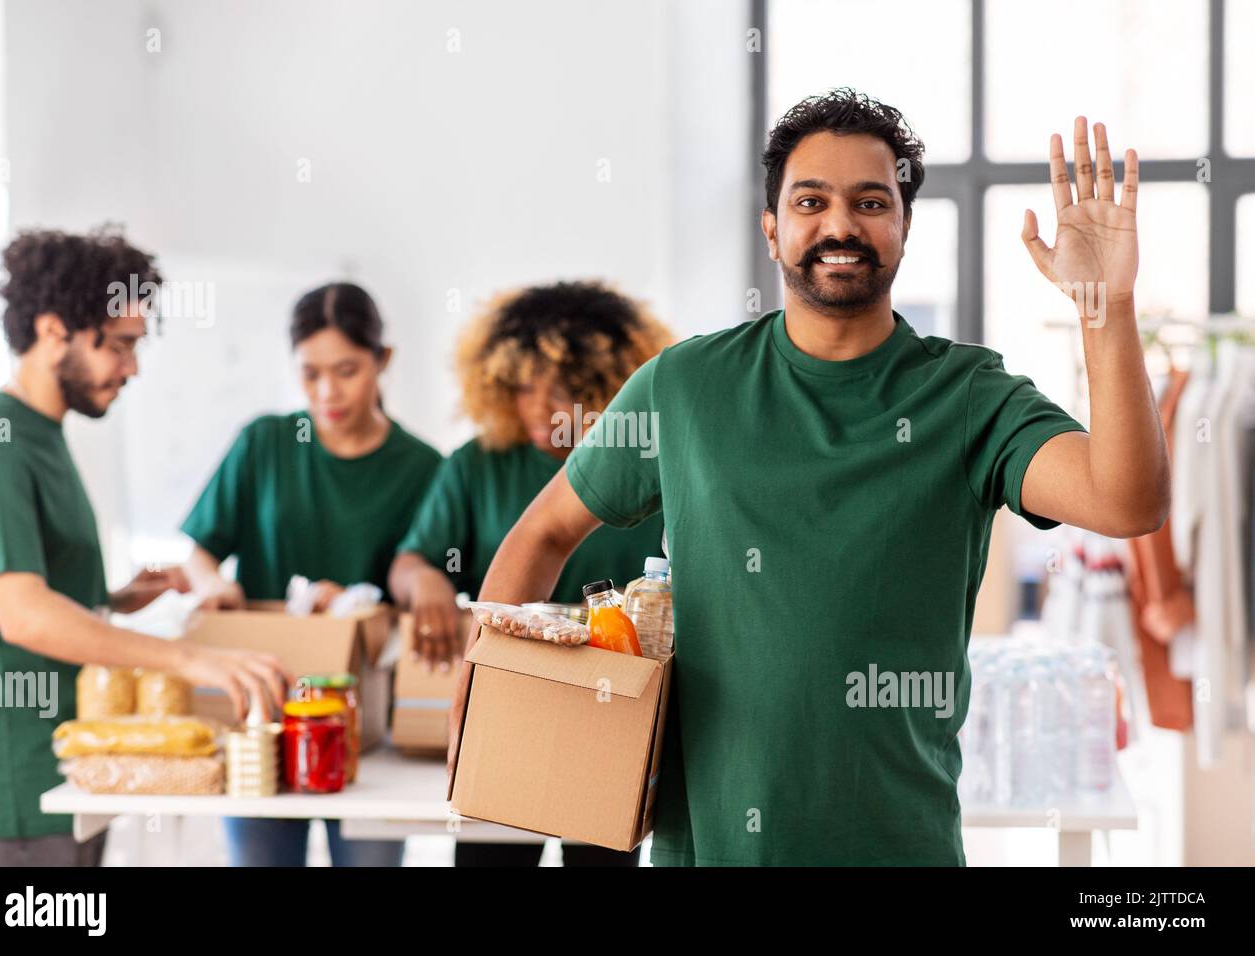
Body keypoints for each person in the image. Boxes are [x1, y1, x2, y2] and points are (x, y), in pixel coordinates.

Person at [446, 90, 1170, 866]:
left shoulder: (967, 397)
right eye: (811, 200)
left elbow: (1125, 500)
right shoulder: (685, 387)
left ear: (903, 225)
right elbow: (546, 530)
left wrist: (1106, 307)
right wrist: (484, 713)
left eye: (870, 201)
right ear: (772, 228)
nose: (840, 225)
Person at [0, 227, 290, 867]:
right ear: (54, 332)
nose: (132, 368)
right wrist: (188, 661)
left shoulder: (40, 435)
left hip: (65, 777)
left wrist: (115, 597)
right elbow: (21, 613)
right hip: (10, 796)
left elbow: (27, 586)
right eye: (119, 346)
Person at [390, 280, 671, 866]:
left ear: (606, 386)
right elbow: (412, 559)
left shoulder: (644, 469)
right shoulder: (477, 465)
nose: (541, 407)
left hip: (610, 719)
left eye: (564, 388)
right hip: (510, 709)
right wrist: (429, 582)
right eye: (523, 388)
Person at [181, 282, 441, 867]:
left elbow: (430, 582)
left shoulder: (423, 468)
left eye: (347, 370)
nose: (328, 392)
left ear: (384, 361)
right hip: (261, 717)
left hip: (365, 726)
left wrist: (362, 602)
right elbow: (199, 553)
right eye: (310, 373)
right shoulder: (264, 443)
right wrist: (211, 585)